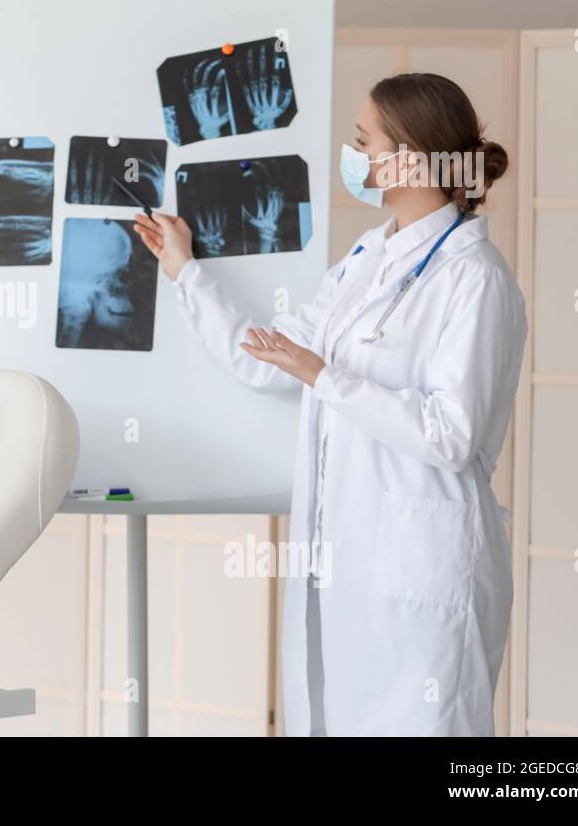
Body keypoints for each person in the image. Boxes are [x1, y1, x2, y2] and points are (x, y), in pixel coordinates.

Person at [134, 73, 527, 736]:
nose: (355, 156)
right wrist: (185, 272)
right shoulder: (367, 257)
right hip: (351, 567)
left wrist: (327, 378)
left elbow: (451, 434)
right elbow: (269, 361)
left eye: (362, 140)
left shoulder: (475, 279)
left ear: (409, 154)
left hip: (423, 574)